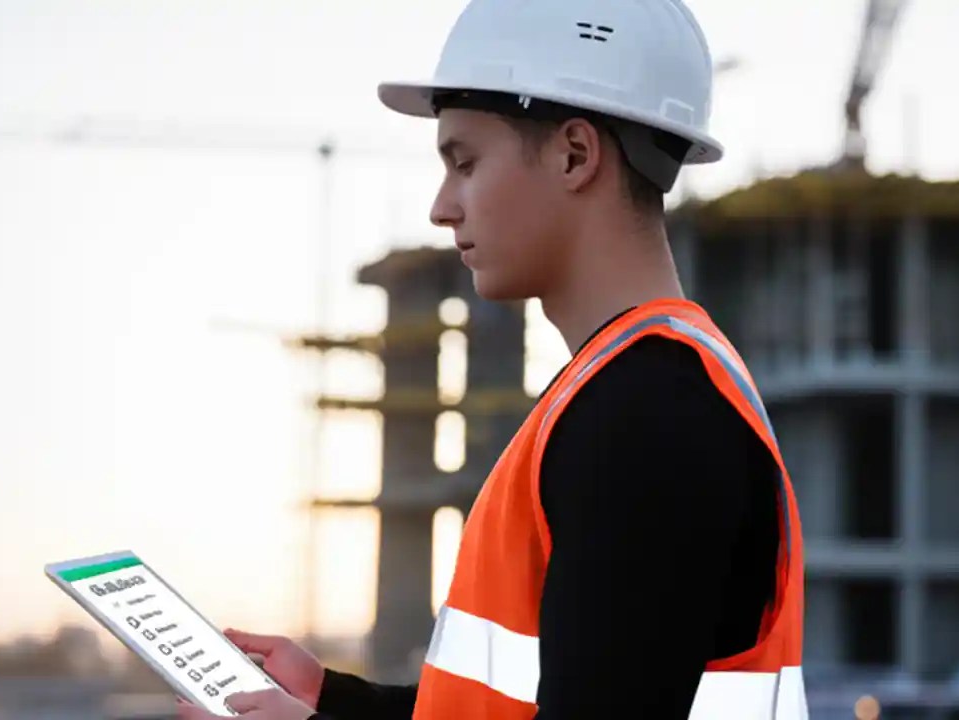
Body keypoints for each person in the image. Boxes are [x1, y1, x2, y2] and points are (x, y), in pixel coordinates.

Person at [182, 0, 808, 717]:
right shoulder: (635, 390)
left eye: (465, 162)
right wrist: (333, 700)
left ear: (576, 154)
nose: (442, 206)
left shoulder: (648, 417)